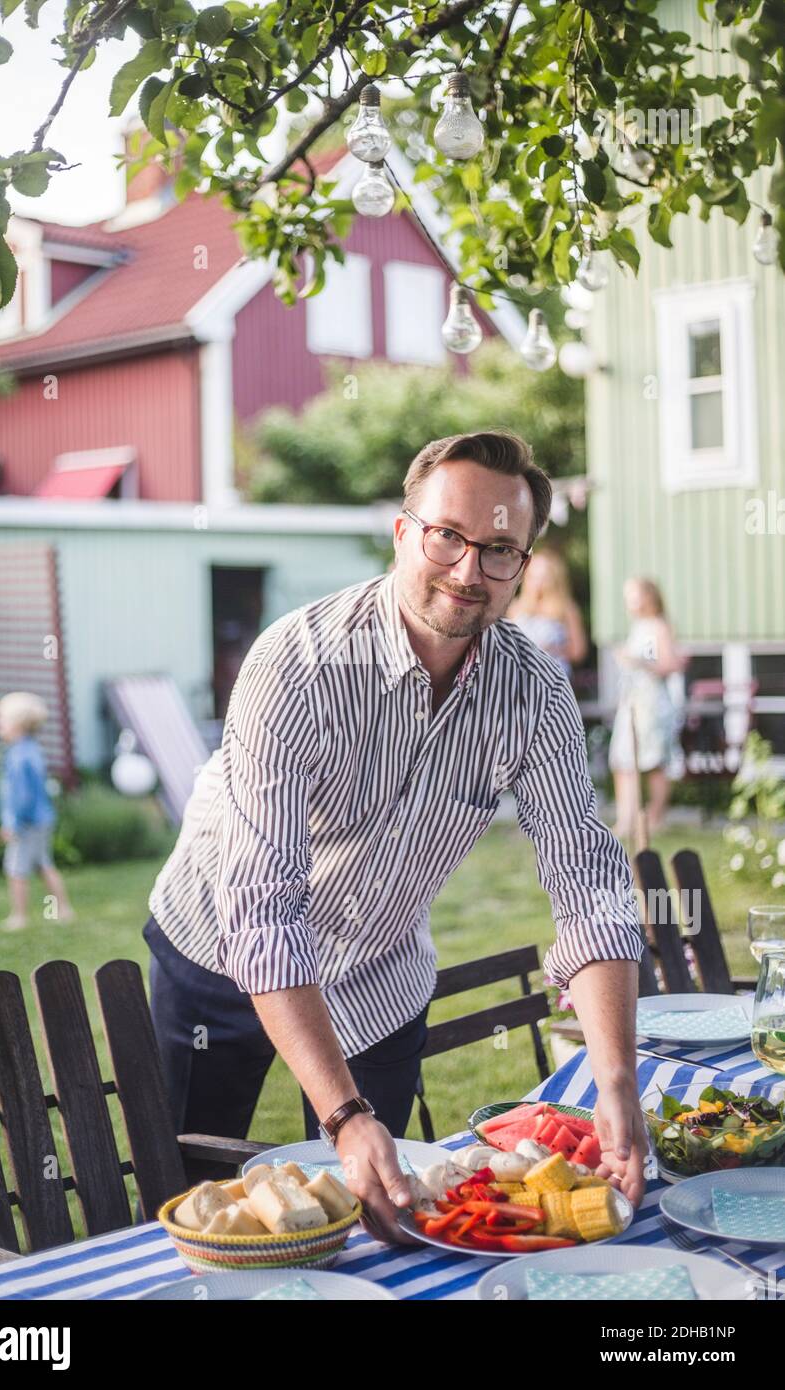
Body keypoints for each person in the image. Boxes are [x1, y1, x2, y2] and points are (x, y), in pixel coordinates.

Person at [144, 430, 648, 1246]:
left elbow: (588, 880)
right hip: (219, 953)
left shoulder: (536, 690)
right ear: (404, 530)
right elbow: (263, 914)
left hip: (379, 967)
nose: (467, 570)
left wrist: (613, 1076)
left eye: (499, 550)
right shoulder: (296, 665)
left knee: (394, 1218)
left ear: (523, 565)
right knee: (203, 1216)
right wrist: (344, 1117)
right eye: (447, 536)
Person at [609, 578, 688, 839]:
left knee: (653, 762)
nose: (629, 602)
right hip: (631, 702)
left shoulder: (658, 627)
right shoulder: (638, 627)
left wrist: (637, 661)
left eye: (633, 595)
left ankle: (655, 818)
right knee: (624, 760)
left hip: (652, 705)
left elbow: (666, 664)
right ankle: (626, 820)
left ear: (649, 597)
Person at [0, 691, 74, 931]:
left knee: (16, 869)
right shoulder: (32, 750)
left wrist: (11, 824)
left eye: (2, 721)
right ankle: (63, 909)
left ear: (17, 725)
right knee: (43, 863)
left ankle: (18, 916)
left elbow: (20, 796)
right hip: (42, 819)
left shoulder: (18, 757)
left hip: (26, 822)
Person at [506, 548, 587, 677]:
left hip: (553, 677)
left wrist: (551, 649)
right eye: (534, 576)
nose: (538, 582)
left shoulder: (566, 608)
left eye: (544, 577)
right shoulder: (515, 608)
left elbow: (578, 651)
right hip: (520, 677)